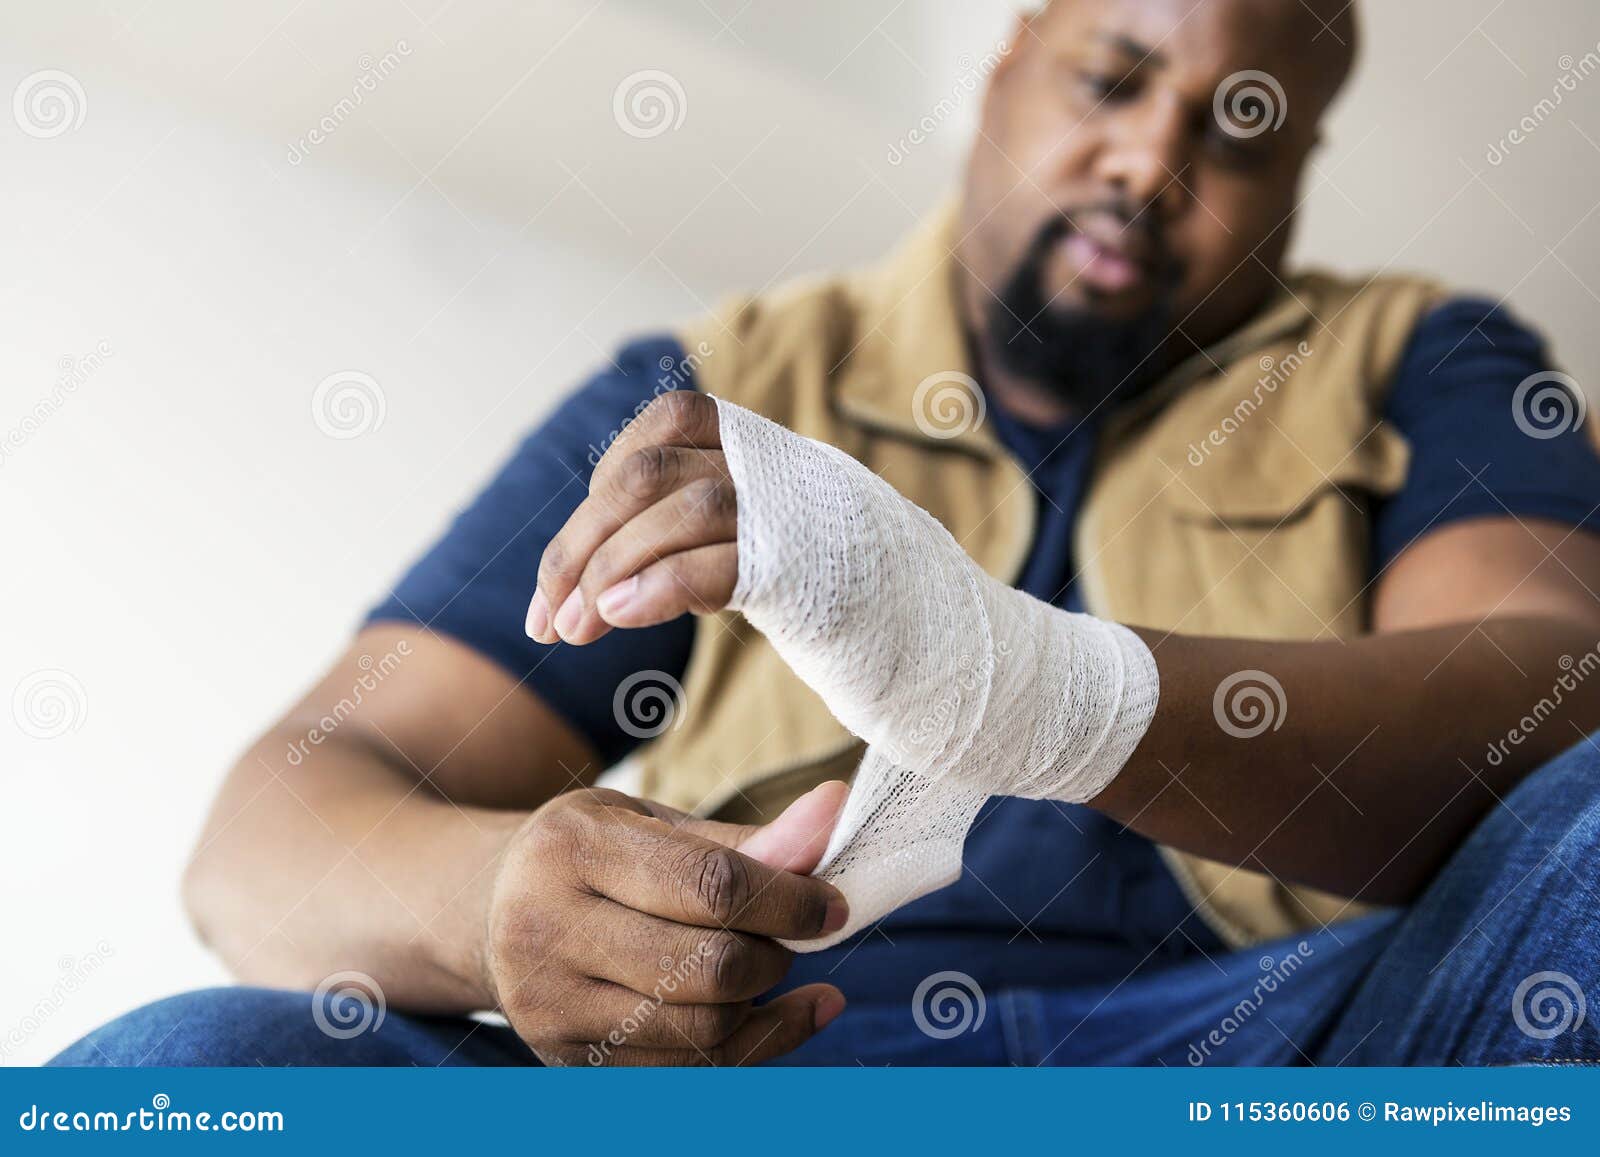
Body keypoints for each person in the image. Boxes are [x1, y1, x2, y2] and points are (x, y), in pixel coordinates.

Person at [53, 0, 1600, 1067]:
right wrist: (507, 907)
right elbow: (270, 833)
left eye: (1241, 131)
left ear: (1300, 177)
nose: (1153, 161)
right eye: (1112, 79)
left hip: (1272, 1045)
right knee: (185, 1071)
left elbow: (1554, 701)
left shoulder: (1424, 360)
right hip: (769, 1047)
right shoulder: (718, 395)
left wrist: (1026, 685)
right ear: (1003, 75)